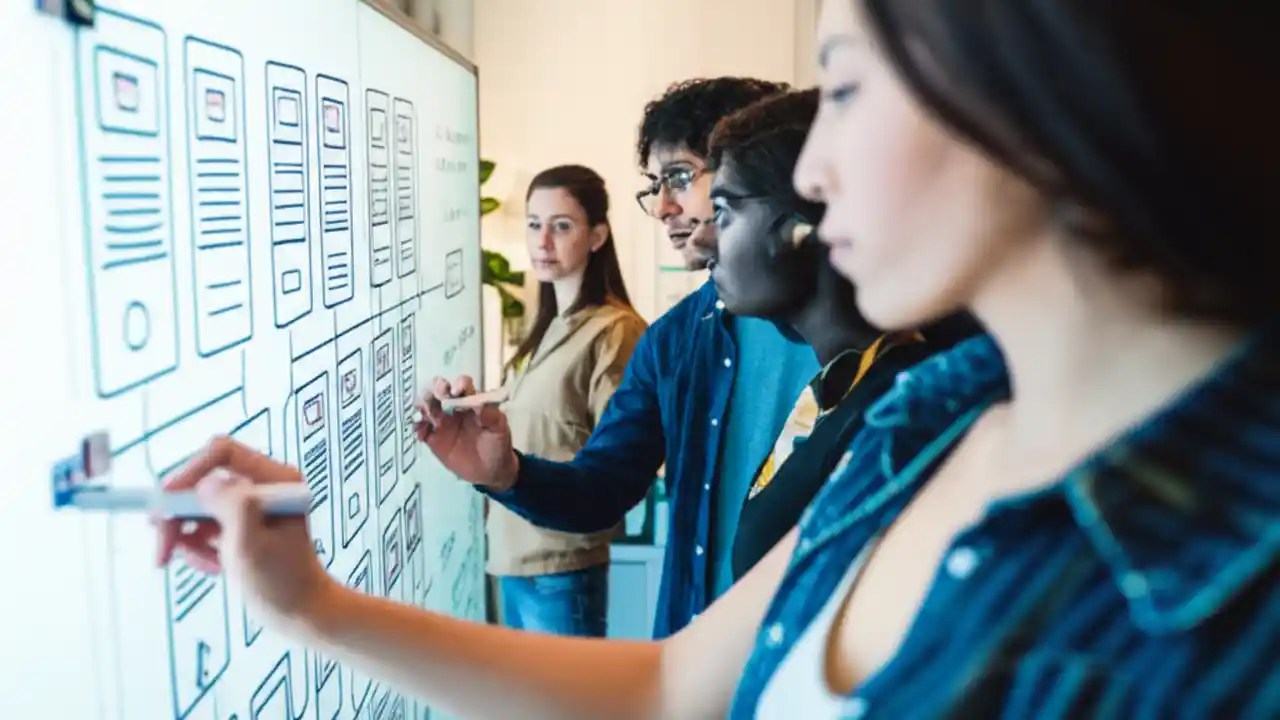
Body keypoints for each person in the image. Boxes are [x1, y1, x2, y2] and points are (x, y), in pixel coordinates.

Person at [156, 0, 1280, 717]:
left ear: (1039, 71)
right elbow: (666, 686)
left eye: (842, 88)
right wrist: (306, 604)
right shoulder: (927, 419)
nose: (817, 171)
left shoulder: (1234, 618)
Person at [420, 77, 818, 637]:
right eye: (655, 185)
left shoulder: (850, 324)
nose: (662, 207)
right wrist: (506, 474)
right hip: (691, 654)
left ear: (750, 168)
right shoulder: (674, 340)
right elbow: (601, 489)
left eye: (680, 177)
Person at [701, 88, 974, 579]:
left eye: (723, 212)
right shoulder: (842, 385)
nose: (704, 241)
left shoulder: (899, 407)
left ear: (802, 220)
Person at [488, 165, 646, 637]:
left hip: (561, 564)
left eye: (561, 226)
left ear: (597, 236)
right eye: (534, 224)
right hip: (513, 558)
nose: (543, 241)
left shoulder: (615, 330)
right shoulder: (548, 327)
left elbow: (615, 463)